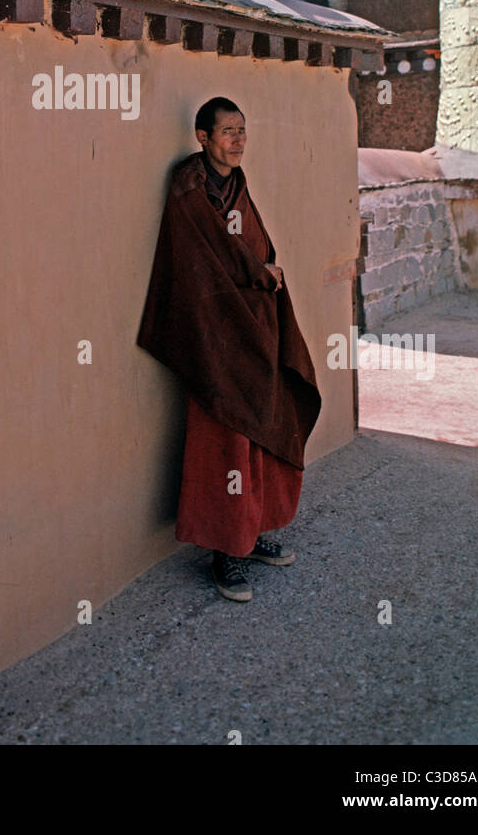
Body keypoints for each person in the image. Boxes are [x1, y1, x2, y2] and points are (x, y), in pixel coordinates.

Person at [137, 97, 321, 602]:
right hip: (214, 341)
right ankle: (225, 556)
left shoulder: (236, 184)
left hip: (254, 333)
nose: (238, 140)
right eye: (227, 132)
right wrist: (261, 273)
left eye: (243, 131)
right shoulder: (188, 188)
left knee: (260, 434)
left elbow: (252, 246)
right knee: (225, 445)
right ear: (202, 137)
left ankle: (252, 532)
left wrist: (264, 274)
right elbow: (205, 262)